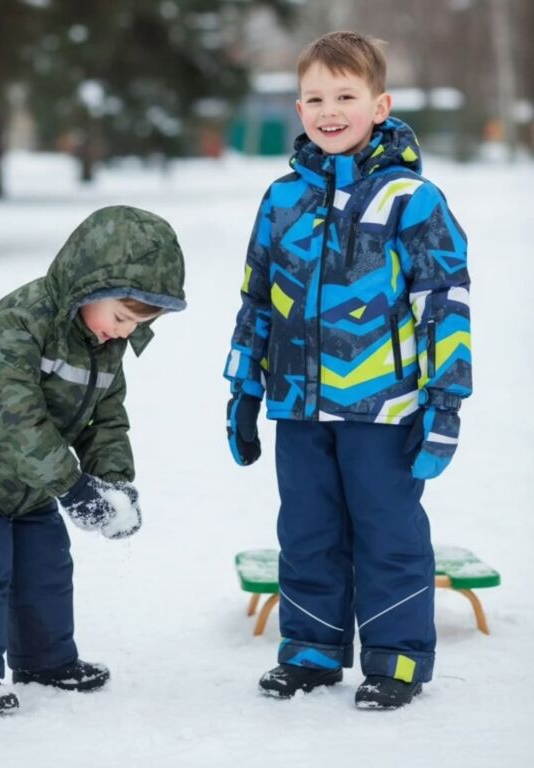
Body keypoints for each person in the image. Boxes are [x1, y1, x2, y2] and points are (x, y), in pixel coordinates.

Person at [224, 31, 471, 710]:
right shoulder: (281, 201)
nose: (328, 110)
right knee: (306, 532)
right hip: (297, 406)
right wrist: (244, 389)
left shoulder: (412, 201)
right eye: (314, 97)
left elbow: (445, 305)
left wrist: (444, 405)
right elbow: (257, 299)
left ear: (380, 104)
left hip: (383, 409)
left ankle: (394, 660)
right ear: (297, 105)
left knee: (388, 534)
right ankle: (312, 651)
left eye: (345, 96)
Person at [0, 205, 186, 716]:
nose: (123, 333)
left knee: (46, 566)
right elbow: (14, 417)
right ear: (87, 286)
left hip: (32, 484)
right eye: (120, 318)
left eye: (138, 324)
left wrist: (114, 484)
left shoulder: (103, 344)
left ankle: (45, 660)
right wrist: (73, 488)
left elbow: (107, 417)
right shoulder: (19, 323)